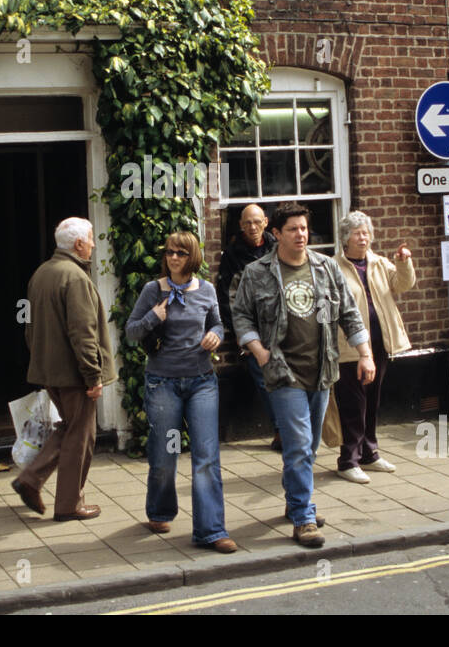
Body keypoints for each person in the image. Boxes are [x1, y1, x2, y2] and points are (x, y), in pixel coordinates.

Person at [232, 201, 375, 548]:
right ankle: (303, 517)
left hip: (322, 370)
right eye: (293, 229)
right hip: (283, 373)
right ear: (276, 233)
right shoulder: (258, 272)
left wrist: (365, 354)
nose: (301, 235)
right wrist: (260, 351)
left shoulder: (325, 268)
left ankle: (296, 500)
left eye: (304, 228)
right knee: (296, 445)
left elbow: (349, 313)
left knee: (309, 447)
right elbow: (241, 316)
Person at [125, 230, 237, 553]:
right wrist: (153, 316)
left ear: (193, 257)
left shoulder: (206, 290)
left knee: (206, 457)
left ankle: (211, 530)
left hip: (202, 381)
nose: (174, 258)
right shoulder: (152, 290)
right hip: (162, 383)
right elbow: (132, 331)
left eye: (181, 253)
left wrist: (215, 335)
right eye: (170, 252)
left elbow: (217, 324)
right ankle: (159, 510)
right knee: (164, 455)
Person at [11, 217, 116, 521]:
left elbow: (29, 327)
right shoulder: (76, 278)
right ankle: (70, 504)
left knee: (69, 428)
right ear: (79, 244)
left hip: (50, 371)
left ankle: (30, 480)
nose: (94, 245)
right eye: (91, 239)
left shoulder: (41, 273)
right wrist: (93, 376)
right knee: (81, 437)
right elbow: (83, 333)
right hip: (74, 374)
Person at [333, 211, 415, 482]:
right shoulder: (334, 268)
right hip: (351, 348)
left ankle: (369, 454)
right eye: (357, 233)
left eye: (366, 233)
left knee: (372, 400)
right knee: (353, 403)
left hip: (380, 343)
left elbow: (403, 285)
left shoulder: (379, 263)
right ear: (345, 238)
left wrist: (403, 263)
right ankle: (348, 460)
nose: (363, 238)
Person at [214, 203, 281, 450]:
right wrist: (241, 332)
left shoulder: (278, 247)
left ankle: (295, 428)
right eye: (246, 223)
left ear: (265, 221)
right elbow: (226, 296)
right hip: (254, 329)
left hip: (282, 324)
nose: (252, 227)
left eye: (256, 222)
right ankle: (281, 430)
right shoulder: (233, 255)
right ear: (241, 226)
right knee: (264, 379)